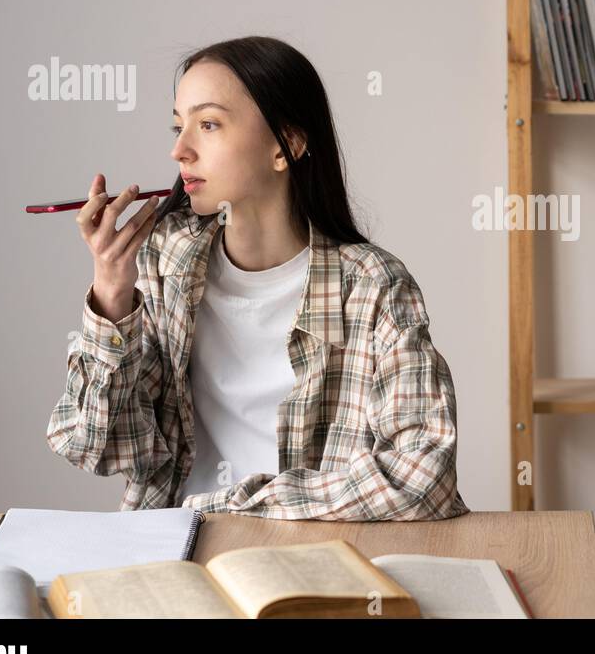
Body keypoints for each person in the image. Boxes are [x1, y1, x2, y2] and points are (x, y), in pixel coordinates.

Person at [46, 36, 470, 521]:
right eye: (178, 126)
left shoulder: (374, 286)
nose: (179, 150)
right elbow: (94, 446)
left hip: (313, 556)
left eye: (207, 125)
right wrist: (112, 293)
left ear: (286, 145)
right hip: (177, 553)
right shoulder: (164, 260)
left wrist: (233, 506)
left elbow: (425, 478)